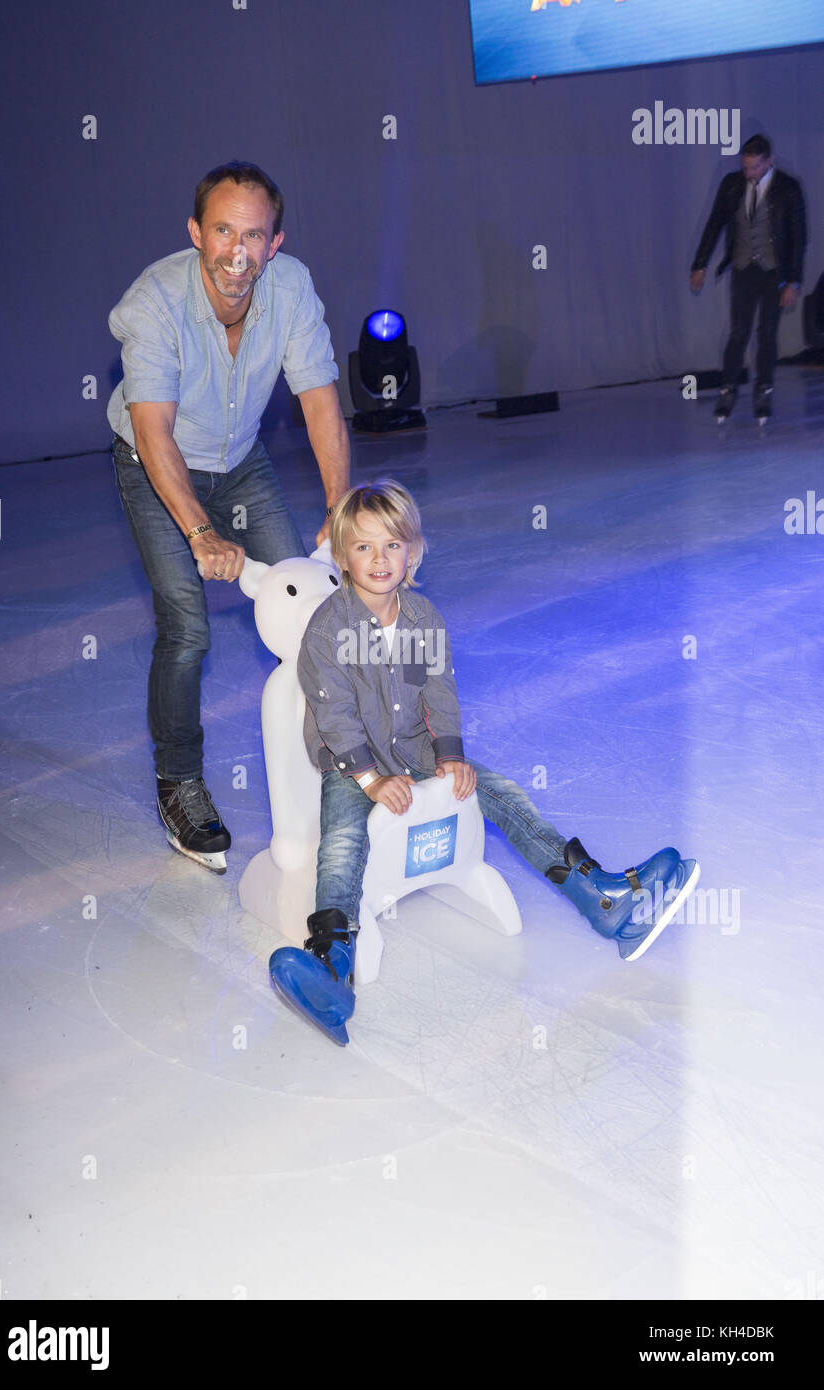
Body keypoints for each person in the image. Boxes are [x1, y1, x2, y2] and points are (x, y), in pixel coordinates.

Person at [268, 481, 700, 1045]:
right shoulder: (327, 629)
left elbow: (440, 695)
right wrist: (370, 779)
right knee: (346, 838)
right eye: (364, 547)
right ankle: (330, 961)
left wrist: (450, 759)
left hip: (414, 749)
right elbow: (334, 711)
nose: (379, 560)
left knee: (498, 792)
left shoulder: (423, 617)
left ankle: (602, 898)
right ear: (344, 555)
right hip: (352, 764)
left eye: (392, 546)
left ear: (413, 552)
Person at [107, 161, 350, 873]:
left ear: (275, 243)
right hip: (155, 464)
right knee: (187, 620)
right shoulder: (156, 301)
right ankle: (180, 782)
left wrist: (339, 508)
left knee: (312, 602)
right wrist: (200, 532)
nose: (237, 254)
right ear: (195, 233)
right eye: (222, 231)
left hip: (240, 462)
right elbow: (154, 435)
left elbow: (320, 406)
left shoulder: (292, 288)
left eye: (254, 235)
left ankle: (340, 759)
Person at [690, 134, 806, 423]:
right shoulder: (731, 186)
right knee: (739, 332)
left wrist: (794, 281)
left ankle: (763, 390)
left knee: (766, 333)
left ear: (769, 162)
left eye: (754, 167)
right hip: (743, 268)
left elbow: (798, 238)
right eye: (745, 167)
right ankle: (728, 389)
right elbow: (714, 224)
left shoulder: (788, 189)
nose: (749, 173)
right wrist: (700, 264)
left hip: (774, 271)